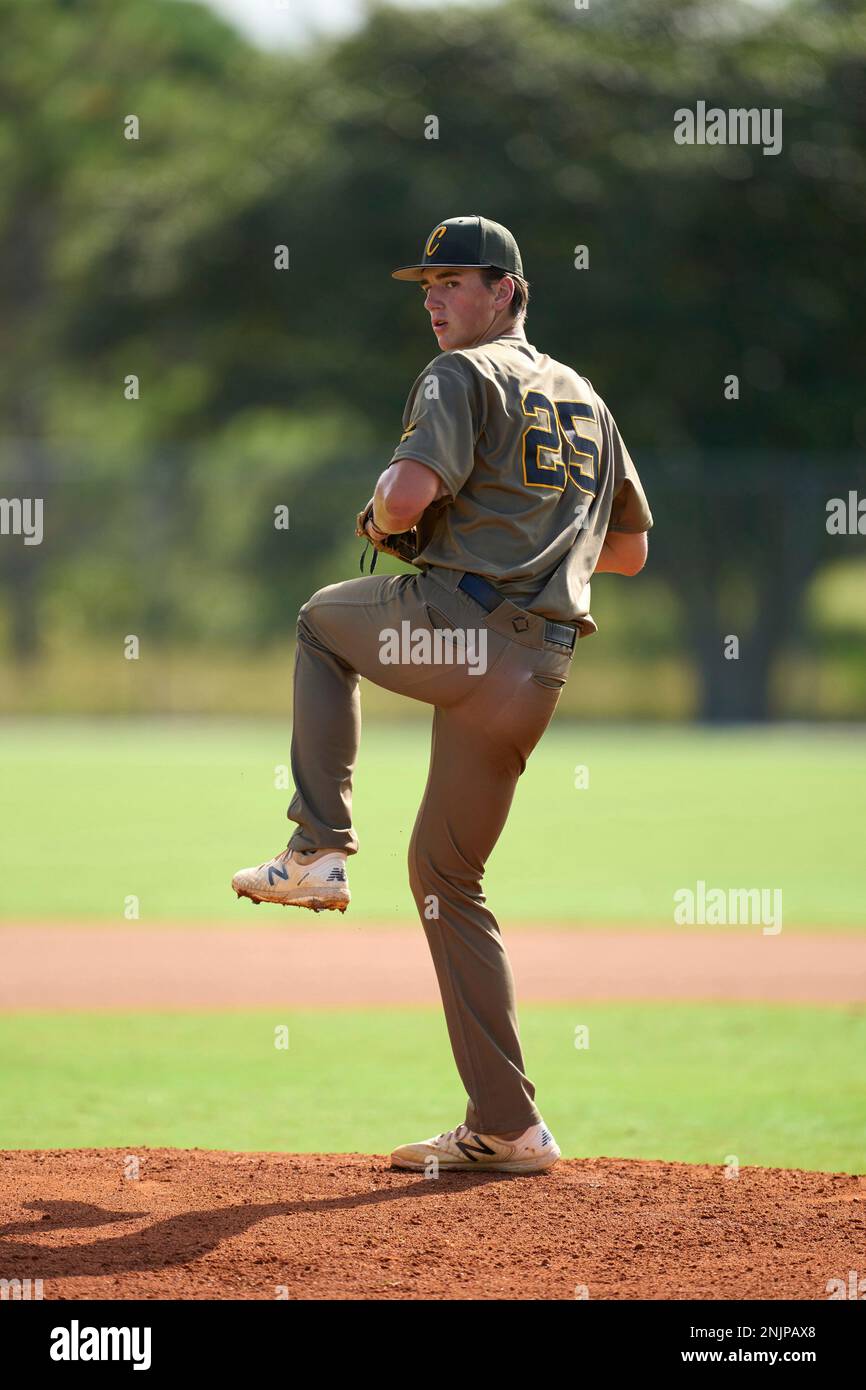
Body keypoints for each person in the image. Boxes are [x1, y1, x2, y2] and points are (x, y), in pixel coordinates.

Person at [232, 216, 652, 1174]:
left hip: (463, 633)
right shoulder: (586, 396)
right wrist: (536, 547)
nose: (434, 299)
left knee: (318, 620)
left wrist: (384, 513)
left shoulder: (461, 374)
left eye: (455, 281)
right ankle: (508, 1124)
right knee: (446, 881)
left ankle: (318, 847)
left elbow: (408, 497)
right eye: (427, 284)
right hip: (539, 669)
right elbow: (628, 551)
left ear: (506, 289)